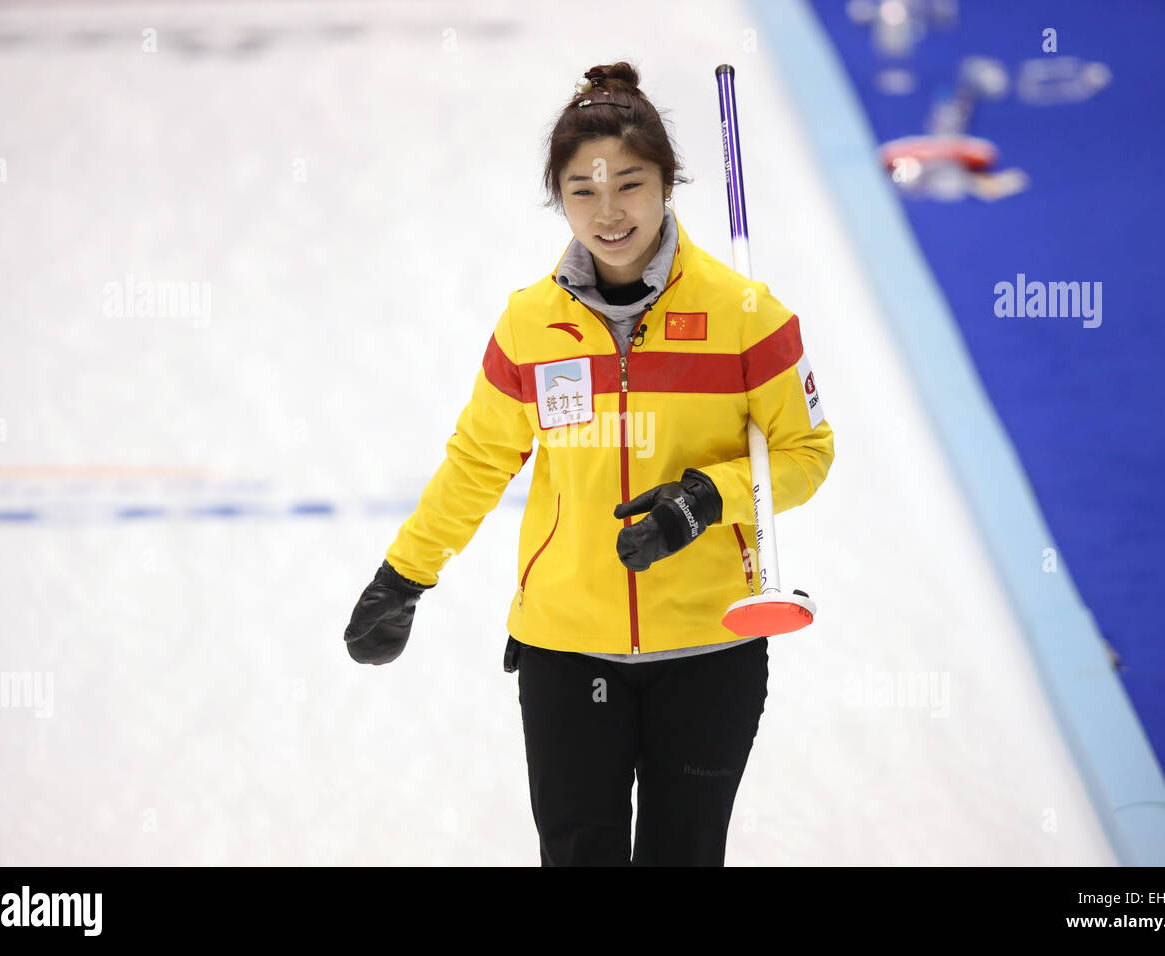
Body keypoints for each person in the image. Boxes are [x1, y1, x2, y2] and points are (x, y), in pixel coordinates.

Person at [343, 61, 835, 866]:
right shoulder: (530, 325)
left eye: (631, 184)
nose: (609, 214)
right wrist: (404, 576)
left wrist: (706, 500)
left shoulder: (748, 316)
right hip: (567, 653)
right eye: (583, 191)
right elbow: (478, 461)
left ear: (669, 182)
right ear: (558, 196)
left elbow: (808, 453)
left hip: (711, 651)